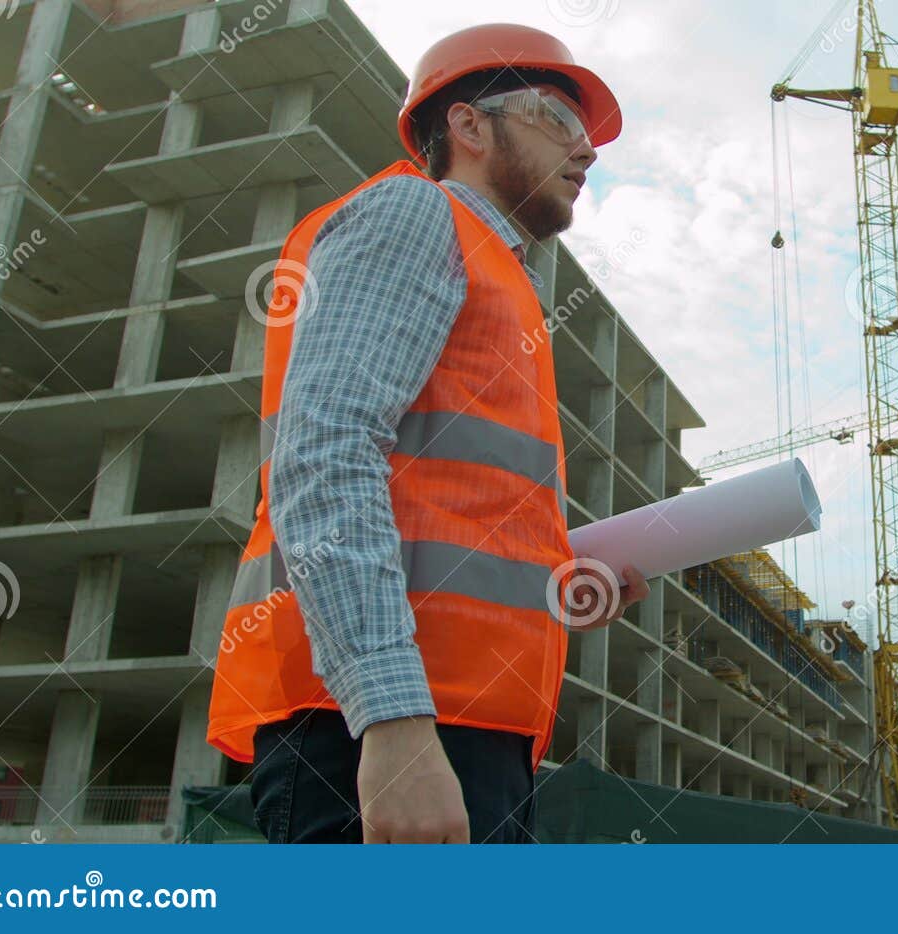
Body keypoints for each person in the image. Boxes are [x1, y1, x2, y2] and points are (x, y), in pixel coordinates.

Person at [206, 23, 649, 844]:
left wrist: (559, 580)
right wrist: (394, 724)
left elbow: (439, 513)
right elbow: (326, 452)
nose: (587, 152)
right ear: (469, 127)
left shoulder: (498, 270)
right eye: (561, 119)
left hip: (462, 727)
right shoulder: (418, 215)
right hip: (381, 726)